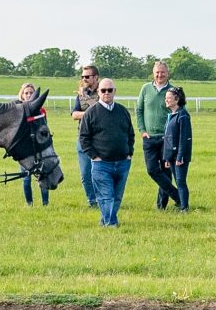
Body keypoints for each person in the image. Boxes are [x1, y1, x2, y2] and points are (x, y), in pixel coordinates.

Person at [78, 77, 134, 227]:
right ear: (98, 92)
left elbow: (130, 134)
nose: (107, 93)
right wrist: (94, 156)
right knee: (106, 196)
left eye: (110, 90)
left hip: (122, 162)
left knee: (116, 197)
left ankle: (105, 221)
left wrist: (129, 153)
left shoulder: (122, 111)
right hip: (101, 163)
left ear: (115, 91)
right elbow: (83, 137)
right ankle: (111, 224)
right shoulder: (91, 113)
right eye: (103, 90)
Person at [137, 60, 181, 210]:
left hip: (166, 138)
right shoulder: (145, 89)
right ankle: (178, 196)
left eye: (162, 72)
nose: (160, 75)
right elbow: (139, 111)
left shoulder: (174, 91)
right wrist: (142, 130)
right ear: (153, 73)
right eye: (157, 72)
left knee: (166, 171)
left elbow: (178, 113)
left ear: (168, 73)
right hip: (149, 138)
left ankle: (161, 206)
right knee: (152, 170)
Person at [70, 65, 101, 208]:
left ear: (95, 77)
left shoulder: (104, 91)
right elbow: (74, 114)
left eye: (87, 76)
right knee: (85, 175)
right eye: (82, 77)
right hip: (83, 139)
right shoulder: (80, 94)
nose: (84, 79)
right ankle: (92, 202)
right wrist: (88, 114)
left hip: (100, 140)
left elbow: (100, 110)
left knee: (100, 173)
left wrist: (86, 98)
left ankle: (104, 199)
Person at [16, 82, 50, 206]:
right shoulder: (18, 110)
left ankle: (45, 204)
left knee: (43, 175)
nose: (29, 95)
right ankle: (29, 203)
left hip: (39, 147)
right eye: (26, 93)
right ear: (22, 95)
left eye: (31, 92)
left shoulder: (41, 110)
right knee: (26, 177)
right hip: (25, 149)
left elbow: (44, 128)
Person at [160, 86, 192, 212]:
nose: (166, 100)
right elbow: (168, 138)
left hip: (179, 156)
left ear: (177, 99)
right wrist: (167, 157)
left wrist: (180, 156)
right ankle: (181, 204)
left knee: (180, 181)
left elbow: (184, 138)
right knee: (177, 180)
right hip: (171, 155)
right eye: (165, 98)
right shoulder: (171, 115)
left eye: (168, 98)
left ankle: (184, 207)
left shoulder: (183, 116)